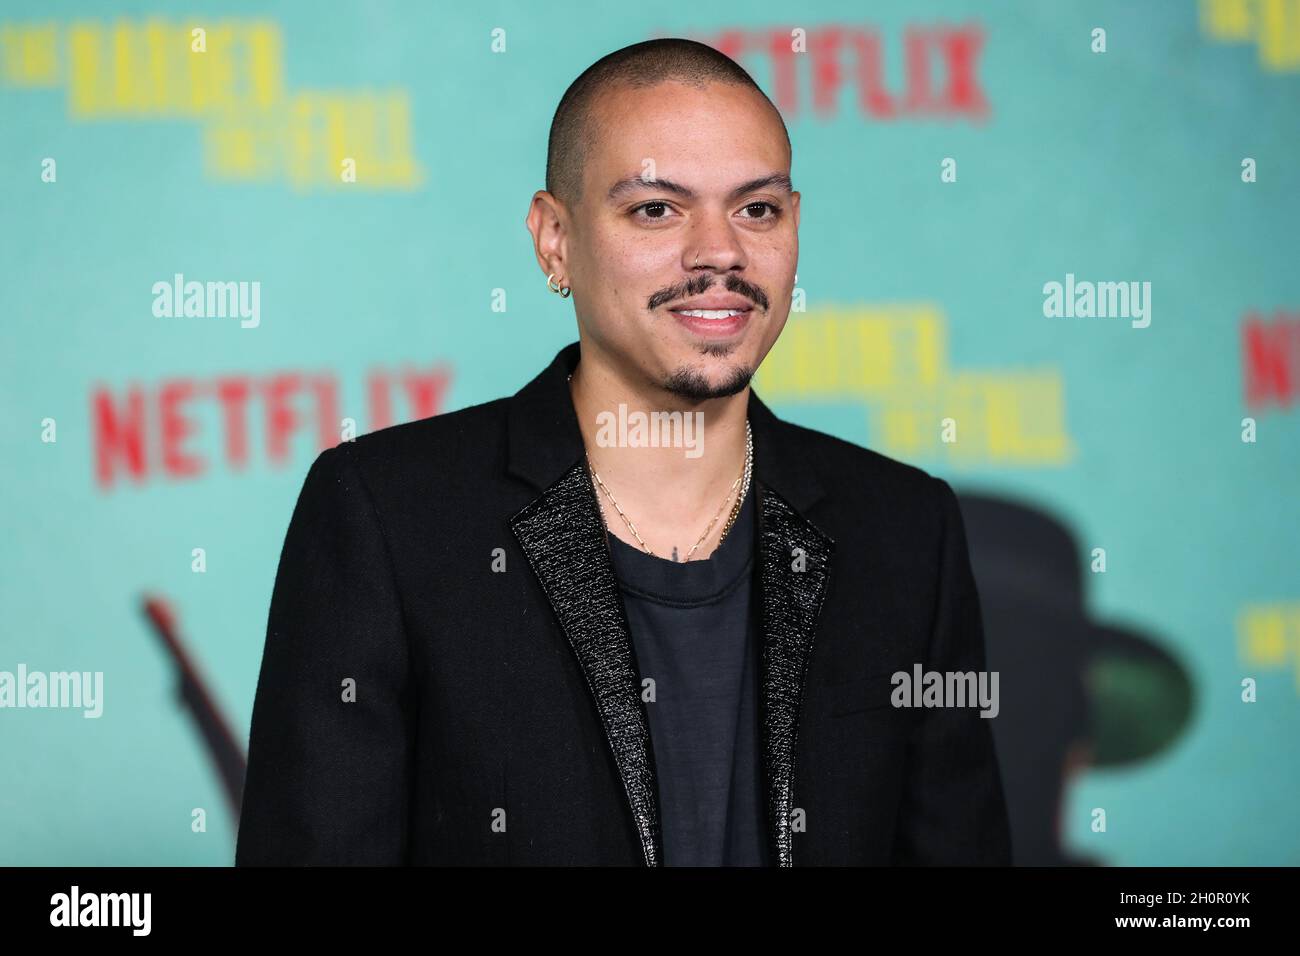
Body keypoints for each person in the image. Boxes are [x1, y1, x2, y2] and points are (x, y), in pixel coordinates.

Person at [235, 37, 1011, 867]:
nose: (720, 252)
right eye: (656, 209)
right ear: (554, 241)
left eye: (758, 209)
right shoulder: (388, 514)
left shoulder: (904, 529)